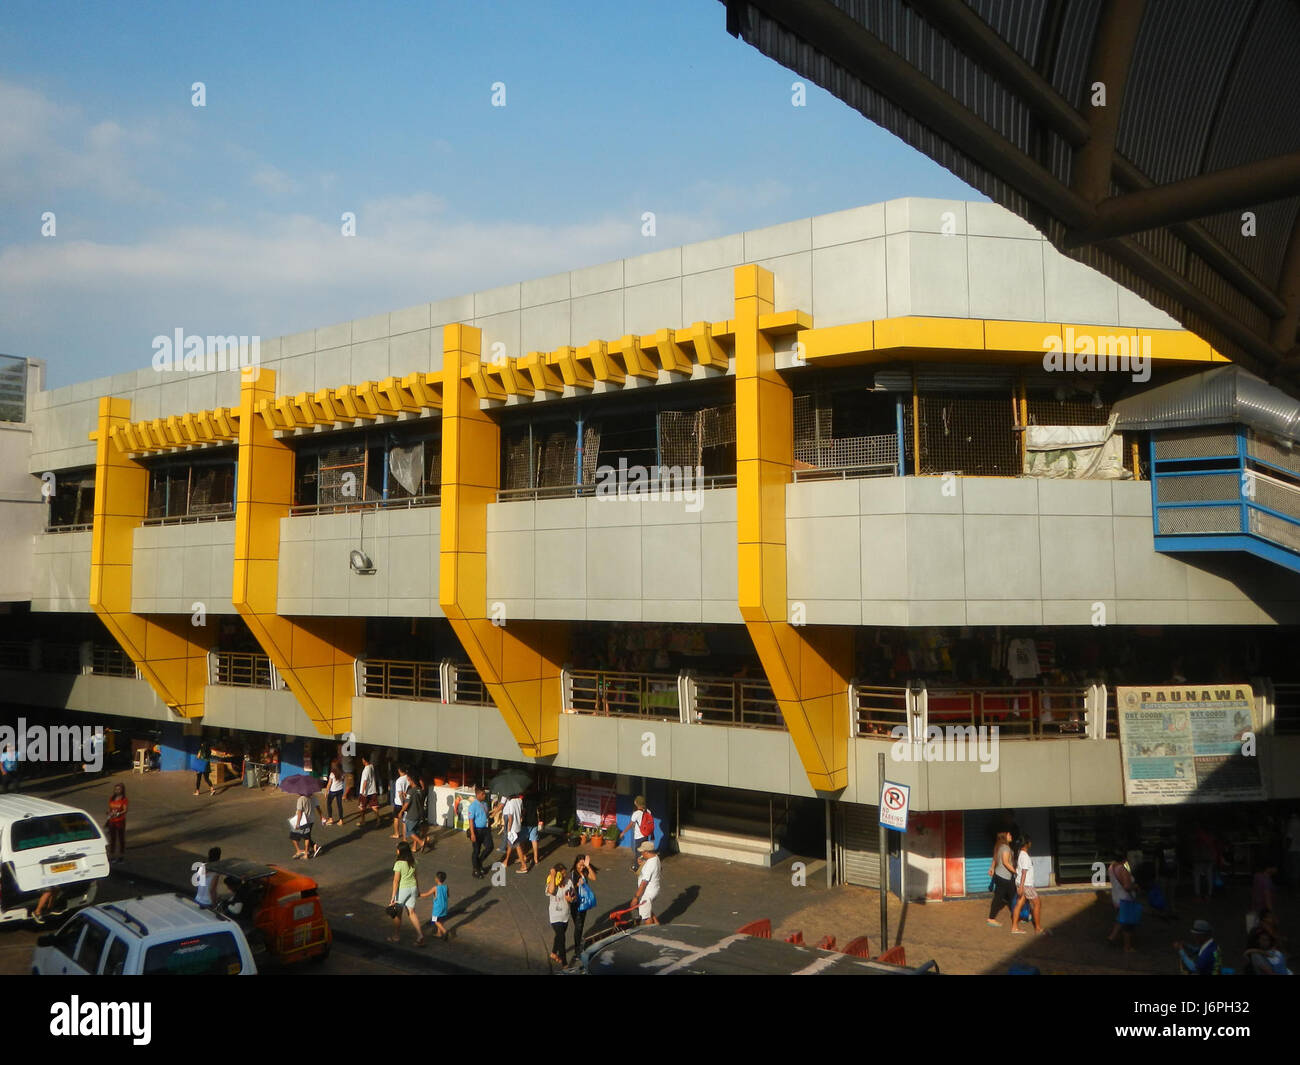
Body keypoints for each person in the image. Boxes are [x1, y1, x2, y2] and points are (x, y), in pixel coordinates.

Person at [389, 841, 425, 946]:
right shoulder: (414, 861)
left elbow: (396, 881)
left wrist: (392, 897)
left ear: (400, 851)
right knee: (412, 912)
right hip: (413, 888)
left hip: (403, 890)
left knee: (397, 914)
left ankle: (396, 936)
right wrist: (418, 890)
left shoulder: (399, 864)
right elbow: (415, 877)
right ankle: (420, 935)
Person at [1009, 835, 1042, 935]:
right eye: (1030, 842)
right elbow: (1024, 872)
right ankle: (1038, 928)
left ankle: (1014, 927)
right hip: (1026, 885)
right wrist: (1022, 887)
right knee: (1037, 903)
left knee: (1019, 904)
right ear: (1027, 844)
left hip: (1021, 883)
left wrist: (1020, 886)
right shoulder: (1025, 856)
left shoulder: (1020, 854)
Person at [1107, 852, 1139, 952]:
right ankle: (1127, 947)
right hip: (1125, 899)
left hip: (1117, 897)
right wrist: (1136, 887)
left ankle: (1112, 937)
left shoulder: (1111, 867)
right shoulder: (1123, 869)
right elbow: (1127, 886)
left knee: (1121, 918)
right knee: (1127, 924)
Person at [546, 863, 575, 966]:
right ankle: (565, 964)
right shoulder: (551, 882)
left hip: (565, 915)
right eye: (562, 874)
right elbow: (551, 891)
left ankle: (553, 953)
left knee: (559, 936)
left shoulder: (569, 882)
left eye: (565, 874)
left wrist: (571, 899)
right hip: (555, 916)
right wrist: (553, 876)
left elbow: (573, 896)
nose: (565, 876)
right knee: (562, 939)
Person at [985, 830, 1016, 926]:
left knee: (1011, 896)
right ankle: (991, 918)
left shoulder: (999, 846)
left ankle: (1018, 915)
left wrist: (992, 868)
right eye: (1009, 834)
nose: (1011, 836)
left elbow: (995, 858)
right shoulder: (1005, 848)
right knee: (1002, 898)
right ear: (1005, 836)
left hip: (1000, 876)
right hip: (1004, 877)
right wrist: (1016, 872)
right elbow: (1006, 862)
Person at [571, 853, 597, 955]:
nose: (581, 867)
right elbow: (570, 886)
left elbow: (594, 878)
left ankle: (579, 943)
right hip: (576, 903)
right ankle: (577, 949)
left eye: (583, 865)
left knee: (580, 925)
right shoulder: (573, 873)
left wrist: (588, 866)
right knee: (578, 925)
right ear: (576, 863)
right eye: (580, 865)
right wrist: (578, 884)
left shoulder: (584, 871)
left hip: (584, 903)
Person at [630, 841, 661, 926]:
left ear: (647, 852)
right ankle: (657, 925)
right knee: (647, 909)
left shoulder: (650, 864)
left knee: (646, 915)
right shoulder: (655, 858)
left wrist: (636, 898)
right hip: (654, 889)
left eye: (642, 852)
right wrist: (643, 864)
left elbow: (644, 883)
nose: (641, 853)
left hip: (648, 892)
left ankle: (650, 932)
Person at [621, 795, 655, 871]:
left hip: (639, 836)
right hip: (646, 835)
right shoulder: (648, 811)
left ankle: (636, 867)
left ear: (636, 803)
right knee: (644, 850)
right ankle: (644, 864)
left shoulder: (636, 814)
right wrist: (652, 835)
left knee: (638, 852)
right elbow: (651, 824)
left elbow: (630, 824)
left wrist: (623, 833)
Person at [501, 791, 529, 874]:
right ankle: (506, 861)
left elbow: (510, 816)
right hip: (518, 826)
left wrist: (509, 829)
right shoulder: (520, 800)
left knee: (517, 846)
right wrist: (520, 818)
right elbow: (523, 811)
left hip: (512, 828)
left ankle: (523, 865)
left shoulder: (510, 802)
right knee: (511, 844)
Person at [467, 788, 492, 878]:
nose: (484, 796)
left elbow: (486, 815)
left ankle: (479, 862)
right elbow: (471, 820)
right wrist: (473, 833)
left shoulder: (485, 804)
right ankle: (476, 869)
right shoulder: (473, 806)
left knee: (490, 846)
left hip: (485, 829)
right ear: (477, 795)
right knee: (476, 850)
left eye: (484, 794)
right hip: (477, 830)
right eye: (483, 794)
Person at [419, 870, 450, 941]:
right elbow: (448, 895)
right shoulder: (446, 887)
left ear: (437, 879)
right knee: (441, 920)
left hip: (437, 908)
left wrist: (419, 895)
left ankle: (444, 931)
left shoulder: (435, 888)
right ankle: (439, 933)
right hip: (444, 906)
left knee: (434, 920)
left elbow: (426, 894)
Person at [1191, 823, 1219, 901]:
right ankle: (1209, 894)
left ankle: (1198, 895)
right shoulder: (1210, 836)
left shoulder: (1196, 835)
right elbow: (1213, 847)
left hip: (1198, 859)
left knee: (1197, 877)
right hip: (1209, 859)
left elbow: (1194, 847)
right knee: (1209, 877)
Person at [405, 773, 429, 852]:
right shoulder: (420, 790)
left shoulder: (411, 791)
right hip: (420, 814)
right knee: (416, 831)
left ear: (411, 780)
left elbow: (407, 804)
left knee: (409, 831)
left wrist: (401, 811)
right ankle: (414, 847)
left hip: (412, 814)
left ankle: (421, 842)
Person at [105, 783, 128, 863]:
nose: (117, 790)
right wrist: (108, 813)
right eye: (116, 789)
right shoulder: (112, 798)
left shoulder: (124, 799)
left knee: (121, 839)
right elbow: (110, 808)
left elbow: (125, 810)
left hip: (120, 821)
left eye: (119, 789)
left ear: (122, 790)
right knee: (112, 839)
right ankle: (112, 855)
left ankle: (121, 856)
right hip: (112, 821)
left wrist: (119, 813)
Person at [357, 754, 379, 831]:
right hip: (372, 790)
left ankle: (363, 820)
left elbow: (365, 781)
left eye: (362, 759)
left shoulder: (366, 769)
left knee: (362, 807)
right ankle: (378, 819)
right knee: (374, 806)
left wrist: (363, 791)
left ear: (364, 760)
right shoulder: (371, 766)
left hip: (365, 792)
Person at [391, 766, 412, 840]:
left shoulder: (399, 781)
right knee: (404, 820)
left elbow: (400, 793)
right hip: (407, 800)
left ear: (399, 770)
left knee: (396, 818)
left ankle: (396, 833)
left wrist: (402, 802)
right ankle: (405, 836)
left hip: (399, 802)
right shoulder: (408, 777)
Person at [523, 790, 543, 869]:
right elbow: (538, 811)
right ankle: (536, 858)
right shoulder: (535, 800)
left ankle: (524, 856)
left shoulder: (525, 800)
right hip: (534, 822)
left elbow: (524, 811)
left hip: (526, 822)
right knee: (534, 840)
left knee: (523, 840)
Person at [324, 760, 346, 826]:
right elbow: (343, 781)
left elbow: (329, 784)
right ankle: (341, 820)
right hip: (340, 790)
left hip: (333, 791)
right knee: (339, 805)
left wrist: (326, 791)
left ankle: (330, 819)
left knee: (328, 804)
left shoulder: (332, 774)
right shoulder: (343, 773)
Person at [1285, 810, 1300, 890]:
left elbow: (1289, 837)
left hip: (1293, 849)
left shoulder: (1292, 823)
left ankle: (1294, 888)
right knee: (1296, 869)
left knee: (1293, 870)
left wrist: (1286, 849)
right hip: (1297, 848)